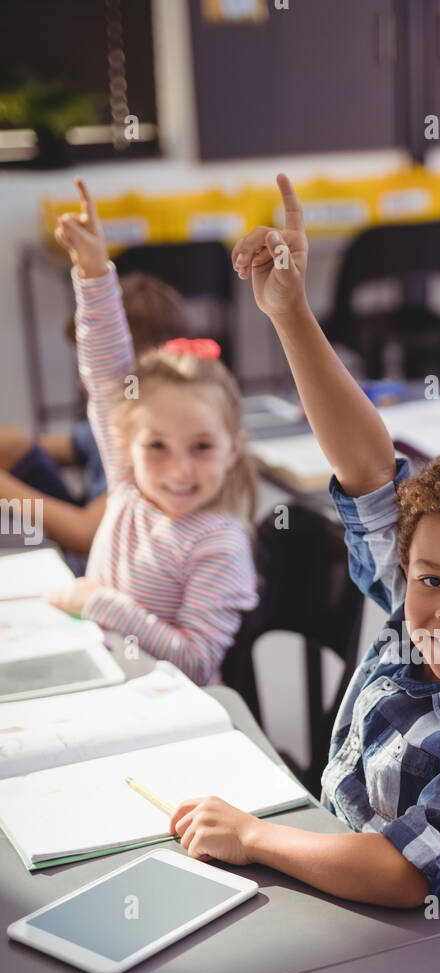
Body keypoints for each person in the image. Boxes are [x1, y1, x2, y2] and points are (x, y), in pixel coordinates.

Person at [167, 174, 440, 973]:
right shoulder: (417, 609)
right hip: (338, 903)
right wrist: (290, 313)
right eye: (429, 579)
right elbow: (363, 466)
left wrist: (254, 836)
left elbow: (403, 873)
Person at [45, 179, 258, 686]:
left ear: (234, 451)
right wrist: (93, 272)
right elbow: (105, 374)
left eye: (201, 447)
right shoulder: (130, 481)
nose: (178, 468)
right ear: (127, 446)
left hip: (180, 717)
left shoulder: (219, 545)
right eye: (156, 446)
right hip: (115, 682)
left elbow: (197, 662)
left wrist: (97, 601)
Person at [0, 272, 189, 569]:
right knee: (12, 443)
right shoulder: (106, 421)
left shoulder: (155, 439)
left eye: (91, 366)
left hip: (109, 564)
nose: (81, 382)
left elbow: (87, 534)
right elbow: (50, 445)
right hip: (91, 540)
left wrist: (4, 489)